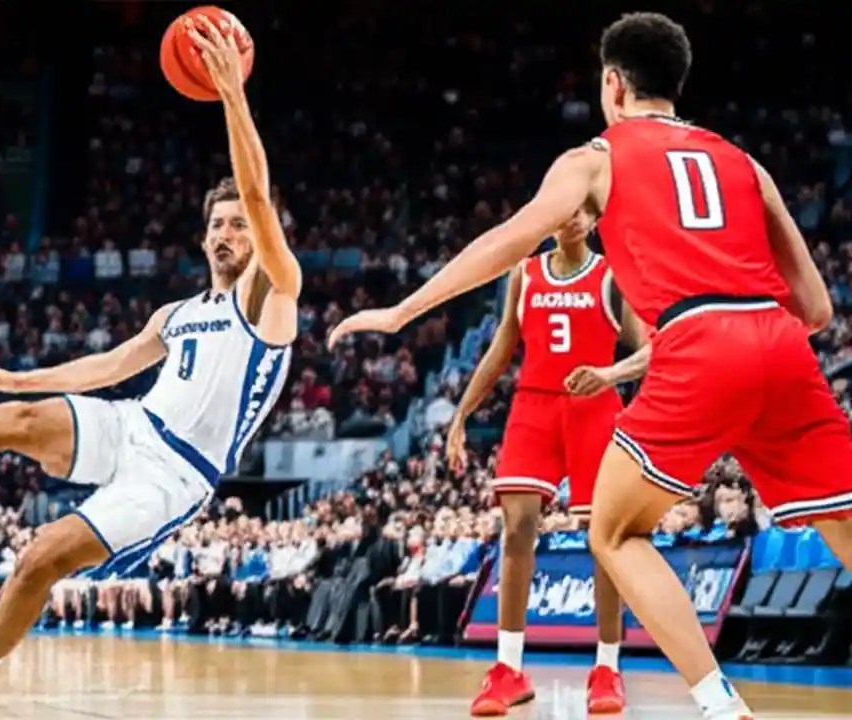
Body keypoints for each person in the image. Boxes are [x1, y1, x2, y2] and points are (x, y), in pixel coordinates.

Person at [329, 12, 852, 720]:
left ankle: (721, 704)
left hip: (695, 339)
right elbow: (817, 308)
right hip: (780, 342)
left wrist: (400, 313)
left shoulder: (594, 159)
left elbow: (510, 240)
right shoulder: (742, 161)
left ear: (612, 84)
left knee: (612, 531)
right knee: (844, 521)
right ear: (675, 83)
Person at [0, 16, 300, 720]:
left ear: (264, 236)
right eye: (217, 224)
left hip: (178, 473)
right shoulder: (179, 312)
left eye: (240, 224)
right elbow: (109, 365)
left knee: (42, 555)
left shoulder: (273, 293)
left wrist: (231, 97)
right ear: (201, 237)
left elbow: (258, 195)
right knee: (18, 420)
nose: (229, 231)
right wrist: (20, 381)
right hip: (135, 425)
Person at [446, 209, 650, 716]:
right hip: (534, 406)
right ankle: (508, 668)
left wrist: (609, 374)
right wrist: (461, 414)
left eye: (583, 210)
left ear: (596, 217)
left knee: (602, 541)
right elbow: (500, 348)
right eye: (565, 210)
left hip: (594, 409)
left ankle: (607, 667)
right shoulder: (525, 273)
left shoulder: (611, 275)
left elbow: (649, 350)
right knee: (516, 529)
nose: (573, 218)